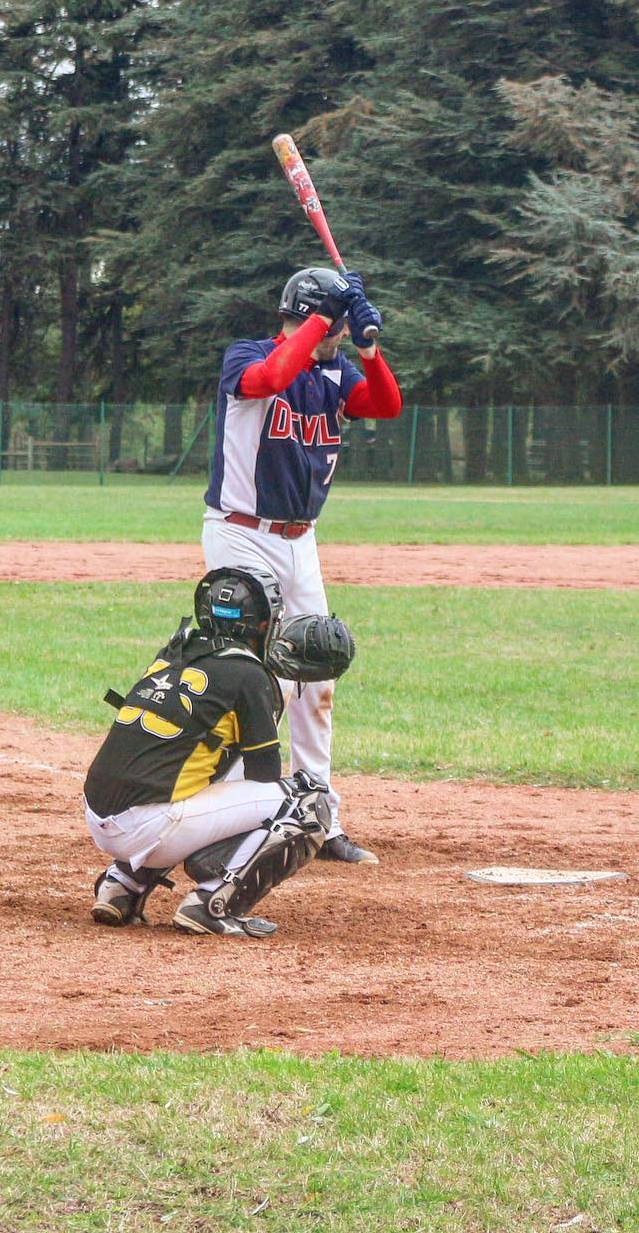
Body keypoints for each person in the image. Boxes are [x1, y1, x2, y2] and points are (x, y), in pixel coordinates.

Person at [202, 266, 402, 863]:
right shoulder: (246, 355)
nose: (338, 333)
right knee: (250, 675)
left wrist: (369, 350)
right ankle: (227, 814)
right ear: (312, 316)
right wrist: (324, 317)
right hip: (241, 534)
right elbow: (269, 378)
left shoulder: (334, 371)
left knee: (317, 672)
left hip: (300, 540)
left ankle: (318, 817)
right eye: (335, 323)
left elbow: (386, 404)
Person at [85, 568, 340, 939]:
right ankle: (211, 903)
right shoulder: (248, 674)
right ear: (263, 625)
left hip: (98, 814)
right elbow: (264, 774)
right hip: (150, 827)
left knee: (194, 764)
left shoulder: (172, 651)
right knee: (305, 803)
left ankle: (122, 884)